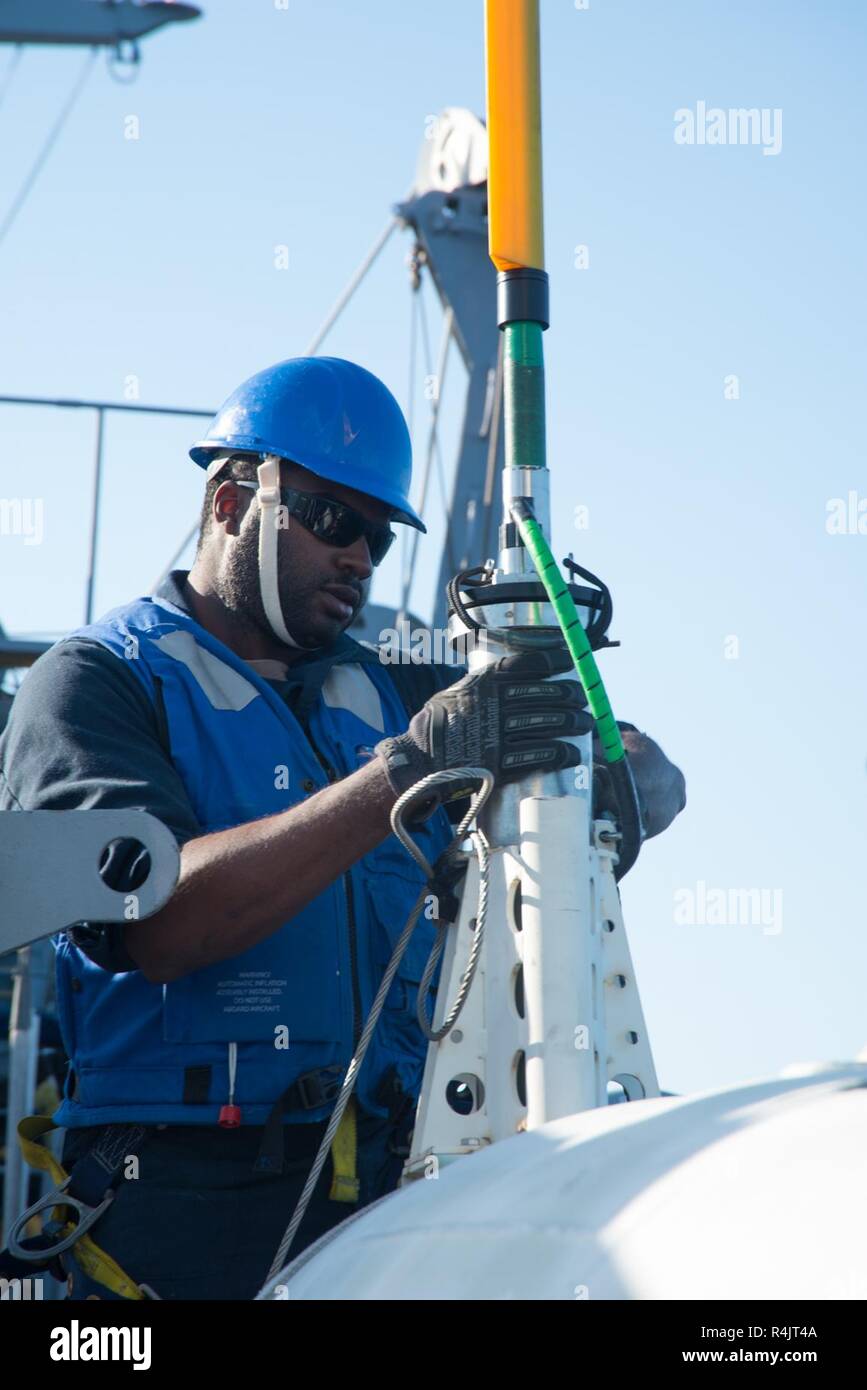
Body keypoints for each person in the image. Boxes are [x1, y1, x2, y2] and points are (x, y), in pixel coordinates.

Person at [0, 356, 685, 1300]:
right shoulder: (95, 684)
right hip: (178, 1216)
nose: (358, 558)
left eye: (377, 537)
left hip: (390, 1196)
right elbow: (158, 926)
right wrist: (406, 771)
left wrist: (599, 772)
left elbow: (643, 768)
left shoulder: (389, 687)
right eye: (332, 522)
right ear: (233, 501)